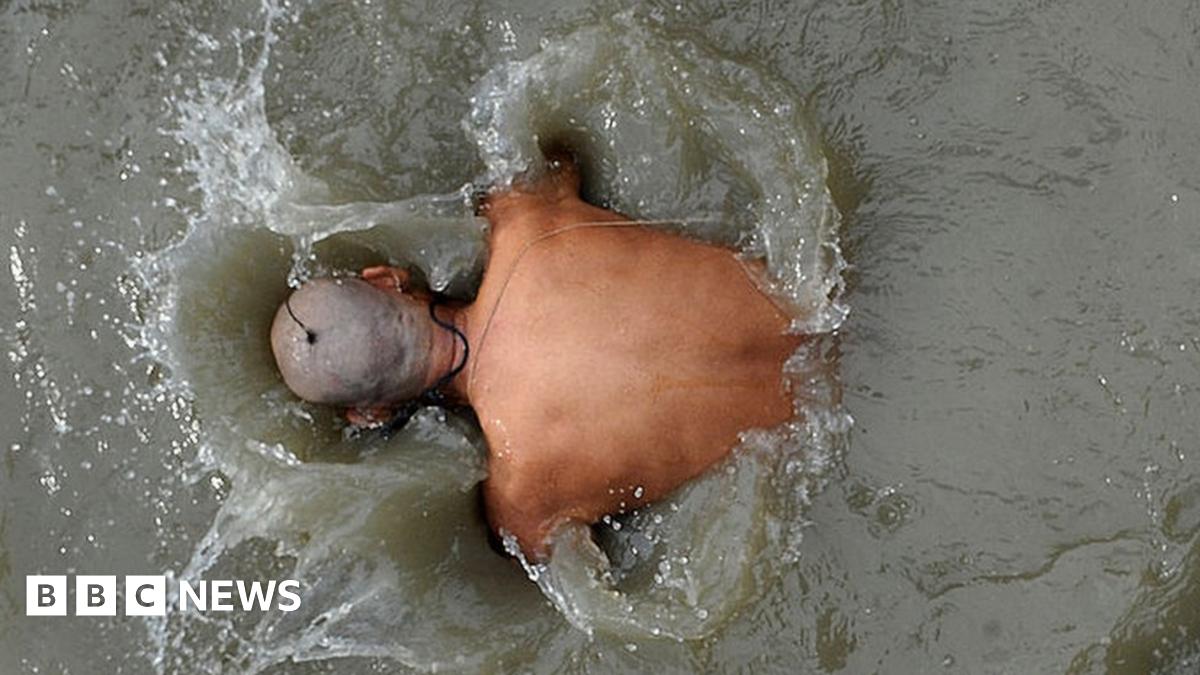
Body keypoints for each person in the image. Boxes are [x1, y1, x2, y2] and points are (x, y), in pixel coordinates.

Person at [270, 151, 805, 561]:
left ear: (370, 413)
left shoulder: (523, 498)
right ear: (386, 278)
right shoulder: (526, 219)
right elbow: (554, 154)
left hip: (813, 425)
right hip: (825, 302)